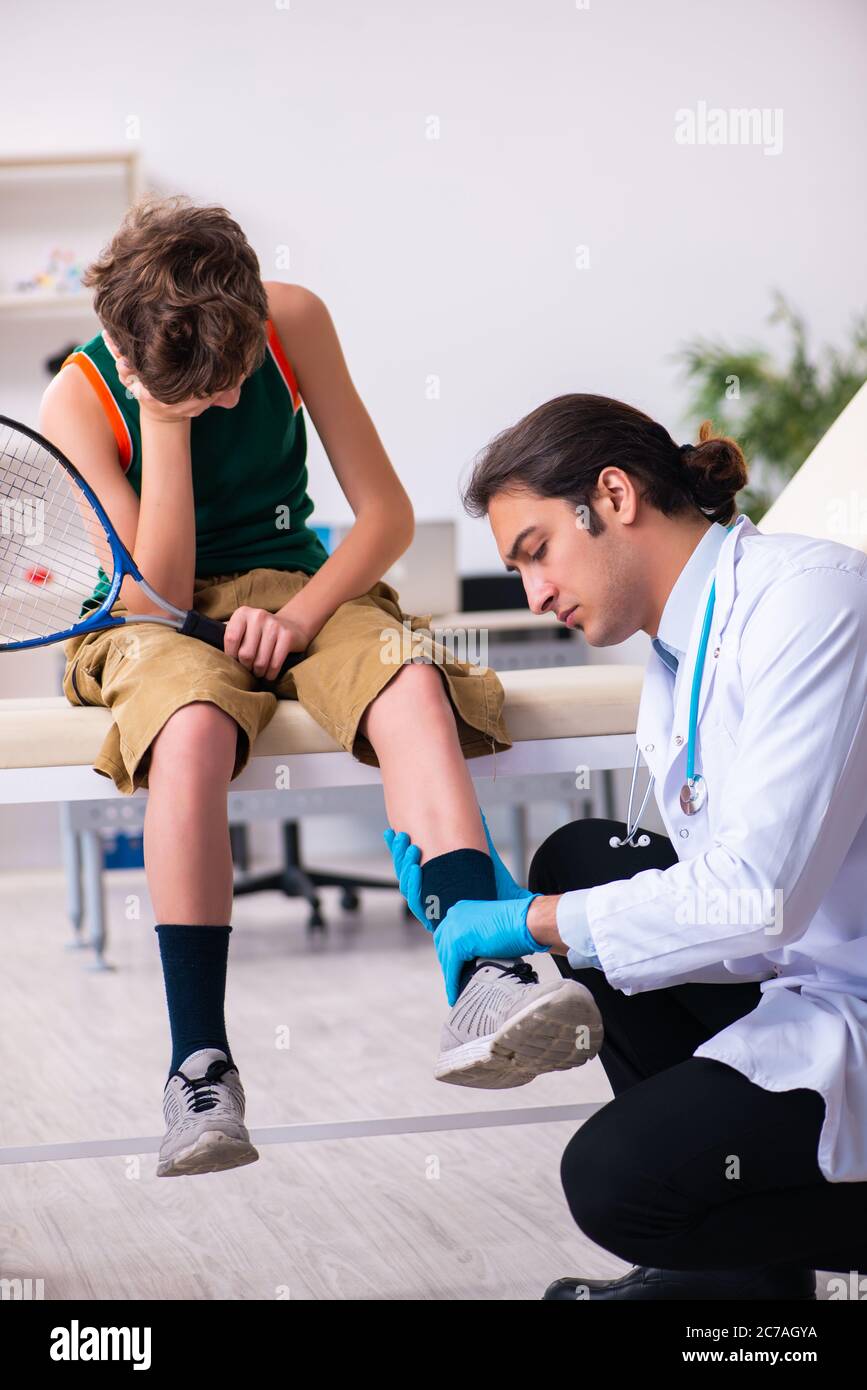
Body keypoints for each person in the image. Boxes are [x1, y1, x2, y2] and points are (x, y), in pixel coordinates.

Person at [40, 196, 603, 1179]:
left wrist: (299, 620)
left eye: (230, 383)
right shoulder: (82, 400)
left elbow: (381, 515)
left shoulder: (292, 320)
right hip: (147, 617)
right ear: (132, 355)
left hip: (303, 588)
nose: (222, 402)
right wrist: (162, 422)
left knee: (409, 683)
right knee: (192, 730)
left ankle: (484, 965)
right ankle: (198, 1063)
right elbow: (159, 589)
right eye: (196, 393)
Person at [387, 394, 867, 1300]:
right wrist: (548, 910)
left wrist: (534, 923)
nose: (531, 592)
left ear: (612, 496)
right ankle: (748, 1294)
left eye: (535, 553)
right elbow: (735, 922)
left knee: (616, 1187)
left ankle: (733, 1278)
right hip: (807, 961)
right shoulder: (673, 659)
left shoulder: (813, 602)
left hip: (844, 980)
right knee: (580, 856)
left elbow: (757, 898)